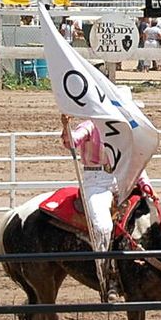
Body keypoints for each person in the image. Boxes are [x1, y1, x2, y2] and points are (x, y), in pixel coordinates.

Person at [61, 113, 123, 302]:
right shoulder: (89, 126)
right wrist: (66, 126)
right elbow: (72, 141)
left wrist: (144, 183)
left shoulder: (122, 126)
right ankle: (107, 278)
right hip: (95, 180)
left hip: (121, 176)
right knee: (103, 227)